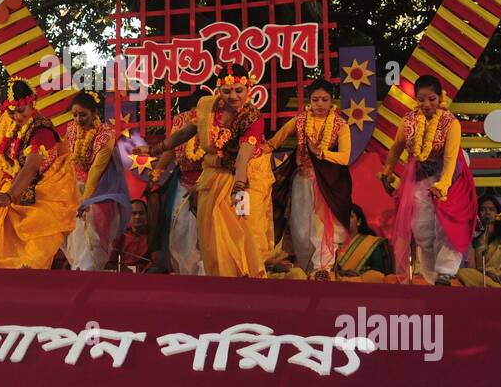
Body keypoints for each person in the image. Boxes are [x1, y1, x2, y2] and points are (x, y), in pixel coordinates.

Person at [150, 64, 274, 278]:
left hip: (246, 180)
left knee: (245, 228)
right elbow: (185, 133)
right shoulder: (208, 109)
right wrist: (156, 149)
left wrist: (238, 188)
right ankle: (221, 280)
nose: (233, 96)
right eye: (227, 91)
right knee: (211, 233)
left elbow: (243, 156)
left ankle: (249, 278)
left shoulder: (253, 118)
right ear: (219, 91)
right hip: (213, 176)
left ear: (249, 90)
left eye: (238, 90)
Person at [0, 77, 79, 270]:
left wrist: (10, 195)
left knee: (34, 256)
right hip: (18, 186)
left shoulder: (40, 130)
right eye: (11, 111)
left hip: (50, 191)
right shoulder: (7, 119)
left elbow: (31, 168)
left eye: (21, 110)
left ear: (31, 103)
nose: (17, 116)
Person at [379, 74, 477, 285]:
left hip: (450, 178)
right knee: (422, 229)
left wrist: (443, 185)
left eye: (431, 99)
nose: (426, 104)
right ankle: (433, 279)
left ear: (440, 97)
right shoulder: (408, 122)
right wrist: (387, 171)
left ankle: (446, 272)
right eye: (421, 99)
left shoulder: (451, 123)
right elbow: (396, 147)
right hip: (420, 176)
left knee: (447, 224)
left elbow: (451, 158)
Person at [270, 77, 353, 275]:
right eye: (315, 100)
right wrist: (256, 151)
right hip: (302, 180)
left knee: (323, 228)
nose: (320, 104)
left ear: (332, 101)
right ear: (309, 100)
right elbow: (274, 142)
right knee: (300, 229)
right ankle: (307, 270)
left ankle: (322, 269)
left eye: (325, 100)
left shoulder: (340, 125)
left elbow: (344, 158)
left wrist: (322, 153)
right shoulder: (299, 121)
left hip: (328, 183)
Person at [62, 90, 129, 272]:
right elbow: (66, 161)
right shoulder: (70, 129)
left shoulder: (105, 136)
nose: (78, 119)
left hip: (99, 194)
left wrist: (85, 201)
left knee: (93, 241)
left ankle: (89, 277)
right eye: (74, 115)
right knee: (75, 239)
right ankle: (78, 274)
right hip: (74, 189)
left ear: (95, 113)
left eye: (83, 115)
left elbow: (95, 171)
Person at [151, 90, 205, 275]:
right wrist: (158, 169)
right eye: (192, 111)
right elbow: (172, 147)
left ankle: (207, 276)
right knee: (179, 228)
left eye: (199, 111)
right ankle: (184, 274)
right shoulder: (181, 120)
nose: (195, 115)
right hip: (183, 179)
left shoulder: (215, 120)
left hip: (209, 183)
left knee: (206, 233)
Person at [334, 204, 396, 282]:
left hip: (365, 286)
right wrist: (342, 273)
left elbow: (379, 271)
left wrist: (358, 275)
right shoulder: (333, 243)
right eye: (342, 216)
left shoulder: (372, 243)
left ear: (359, 221)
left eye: (350, 216)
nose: (345, 219)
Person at [106, 198, 154, 272]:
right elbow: (109, 263)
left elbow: (156, 262)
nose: (137, 217)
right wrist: (120, 268)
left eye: (141, 213)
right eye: (134, 213)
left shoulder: (153, 236)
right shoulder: (120, 236)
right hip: (123, 277)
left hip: (146, 277)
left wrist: (144, 271)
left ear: (147, 215)